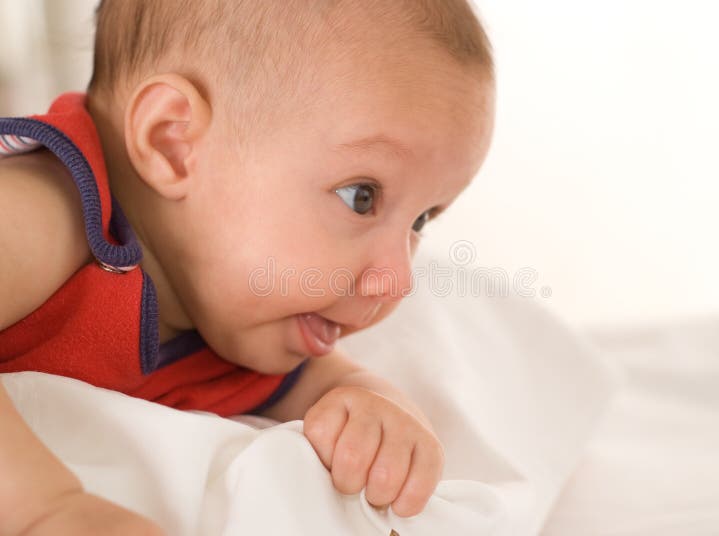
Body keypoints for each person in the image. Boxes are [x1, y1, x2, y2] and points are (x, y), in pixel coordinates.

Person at [0, 0, 495, 533]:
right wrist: (44, 511)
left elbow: (322, 385)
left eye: (421, 219)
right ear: (173, 143)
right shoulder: (52, 208)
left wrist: (375, 412)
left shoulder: (228, 310)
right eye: (361, 197)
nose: (398, 279)